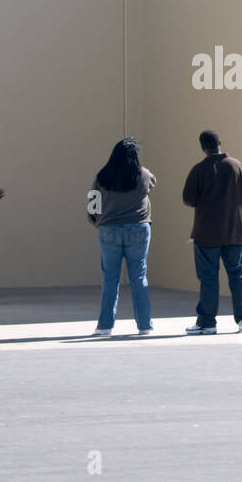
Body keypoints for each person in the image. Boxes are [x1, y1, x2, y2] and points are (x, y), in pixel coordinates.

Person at [183, 130, 242, 334]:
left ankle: (207, 322)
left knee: (209, 278)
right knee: (237, 274)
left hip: (207, 233)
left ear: (202, 147)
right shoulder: (237, 165)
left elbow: (188, 199)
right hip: (235, 232)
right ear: (220, 143)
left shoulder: (199, 169)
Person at [88, 139, 156, 336]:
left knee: (110, 279)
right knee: (139, 277)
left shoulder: (102, 176)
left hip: (108, 229)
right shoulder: (143, 174)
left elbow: (92, 207)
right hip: (138, 228)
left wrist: (98, 223)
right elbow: (151, 184)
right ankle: (144, 326)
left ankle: (105, 326)